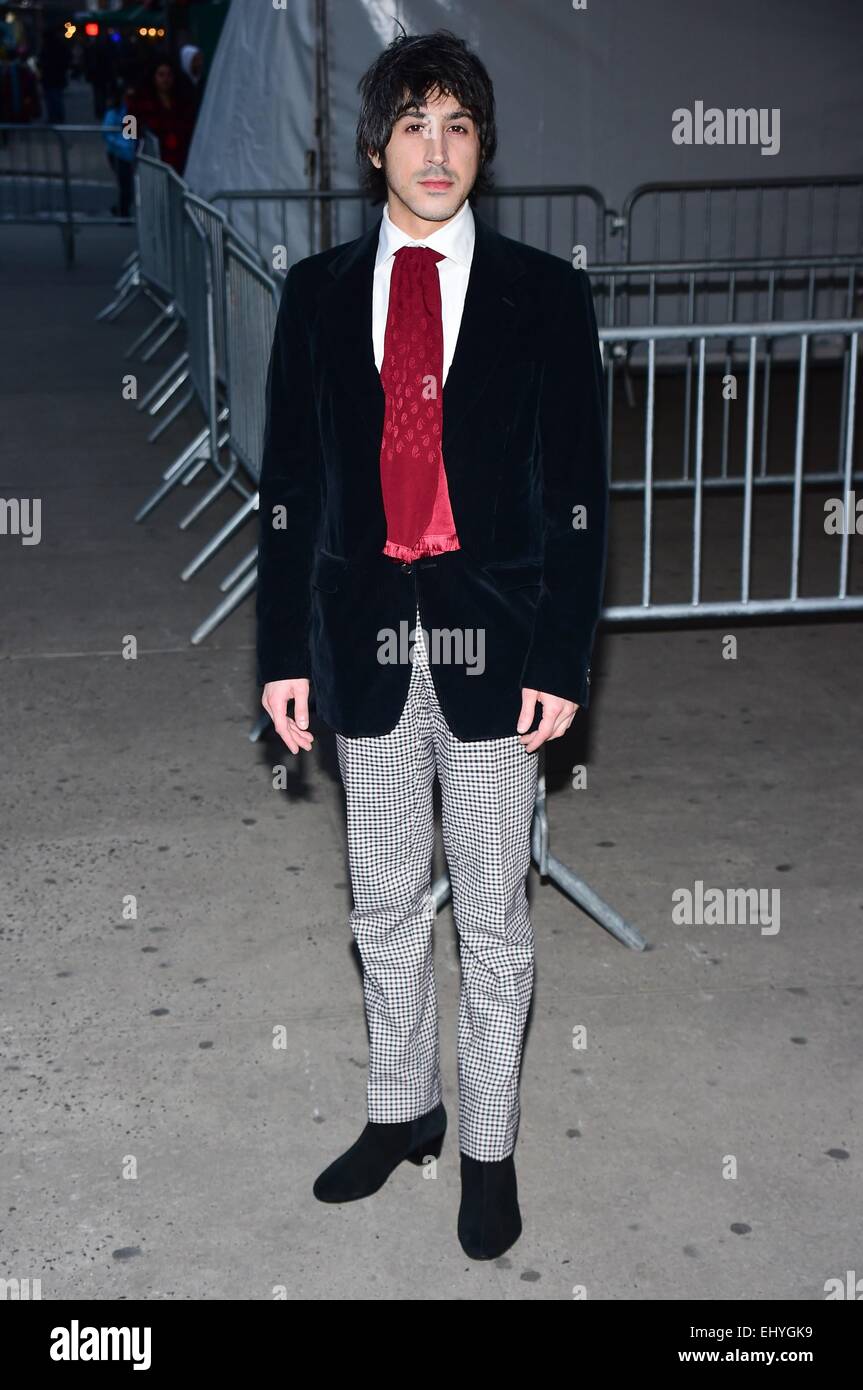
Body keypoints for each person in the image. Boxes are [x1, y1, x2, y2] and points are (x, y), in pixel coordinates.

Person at [256, 29, 608, 1260]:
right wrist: (281, 653)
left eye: (457, 125)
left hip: (498, 653)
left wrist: (564, 660)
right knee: (384, 902)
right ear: (373, 147)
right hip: (360, 644)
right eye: (413, 124)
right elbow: (291, 492)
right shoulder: (313, 294)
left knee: (495, 918)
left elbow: (576, 494)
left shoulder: (543, 294)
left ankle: (489, 1149)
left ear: (483, 146)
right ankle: (400, 1109)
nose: (435, 148)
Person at [125, 53, 195, 175]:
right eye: (161, 75)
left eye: (169, 75)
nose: (165, 79)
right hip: (153, 161)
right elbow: (128, 129)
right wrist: (142, 133)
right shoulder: (140, 100)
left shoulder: (182, 100)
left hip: (180, 159)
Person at [101, 80, 136, 218]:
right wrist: (120, 146)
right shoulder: (115, 112)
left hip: (126, 153)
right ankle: (123, 212)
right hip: (117, 153)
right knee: (125, 184)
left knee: (127, 184)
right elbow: (107, 133)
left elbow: (130, 134)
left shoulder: (129, 112)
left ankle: (121, 208)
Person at [37, 22, 69, 124]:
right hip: (57, 76)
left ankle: (54, 116)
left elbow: (42, 61)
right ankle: (58, 116)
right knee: (56, 97)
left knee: (52, 98)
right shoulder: (59, 44)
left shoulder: (46, 47)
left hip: (50, 76)